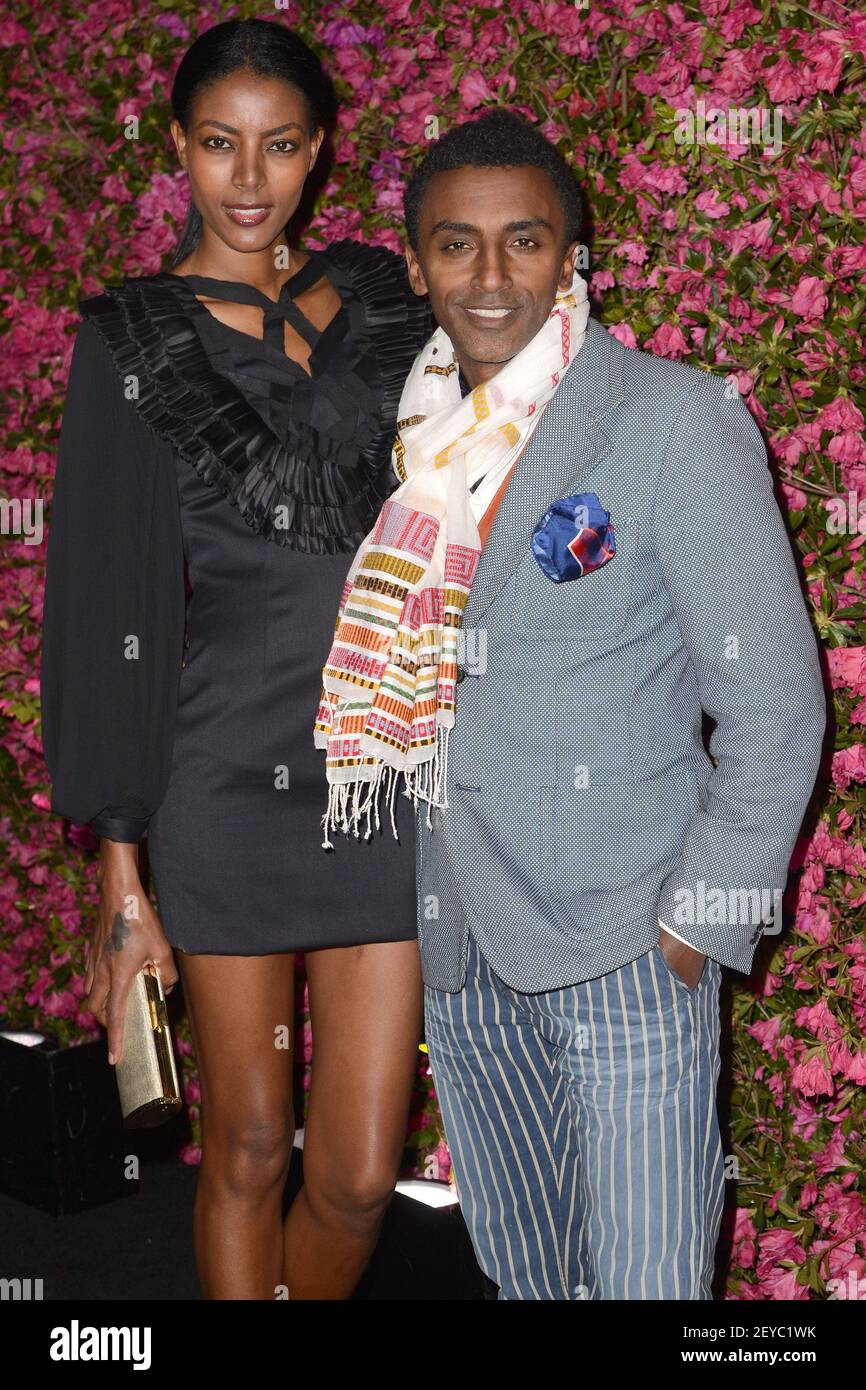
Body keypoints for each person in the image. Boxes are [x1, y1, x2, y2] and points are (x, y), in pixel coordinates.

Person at [314, 110, 827, 1299]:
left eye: (523, 241)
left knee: (649, 1284)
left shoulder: (670, 418)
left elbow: (774, 704)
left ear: (571, 253)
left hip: (627, 939)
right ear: (416, 261)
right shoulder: (412, 441)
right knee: (526, 1275)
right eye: (456, 244)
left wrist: (699, 922)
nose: (490, 276)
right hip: (463, 938)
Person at [40, 18, 433, 1300]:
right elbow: (104, 603)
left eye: (277, 147)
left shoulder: (382, 298)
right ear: (177, 149)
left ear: (319, 152)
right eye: (219, 145)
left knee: (363, 1171)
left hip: (382, 784)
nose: (249, 180)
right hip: (222, 789)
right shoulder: (130, 341)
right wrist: (123, 881)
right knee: (251, 1146)